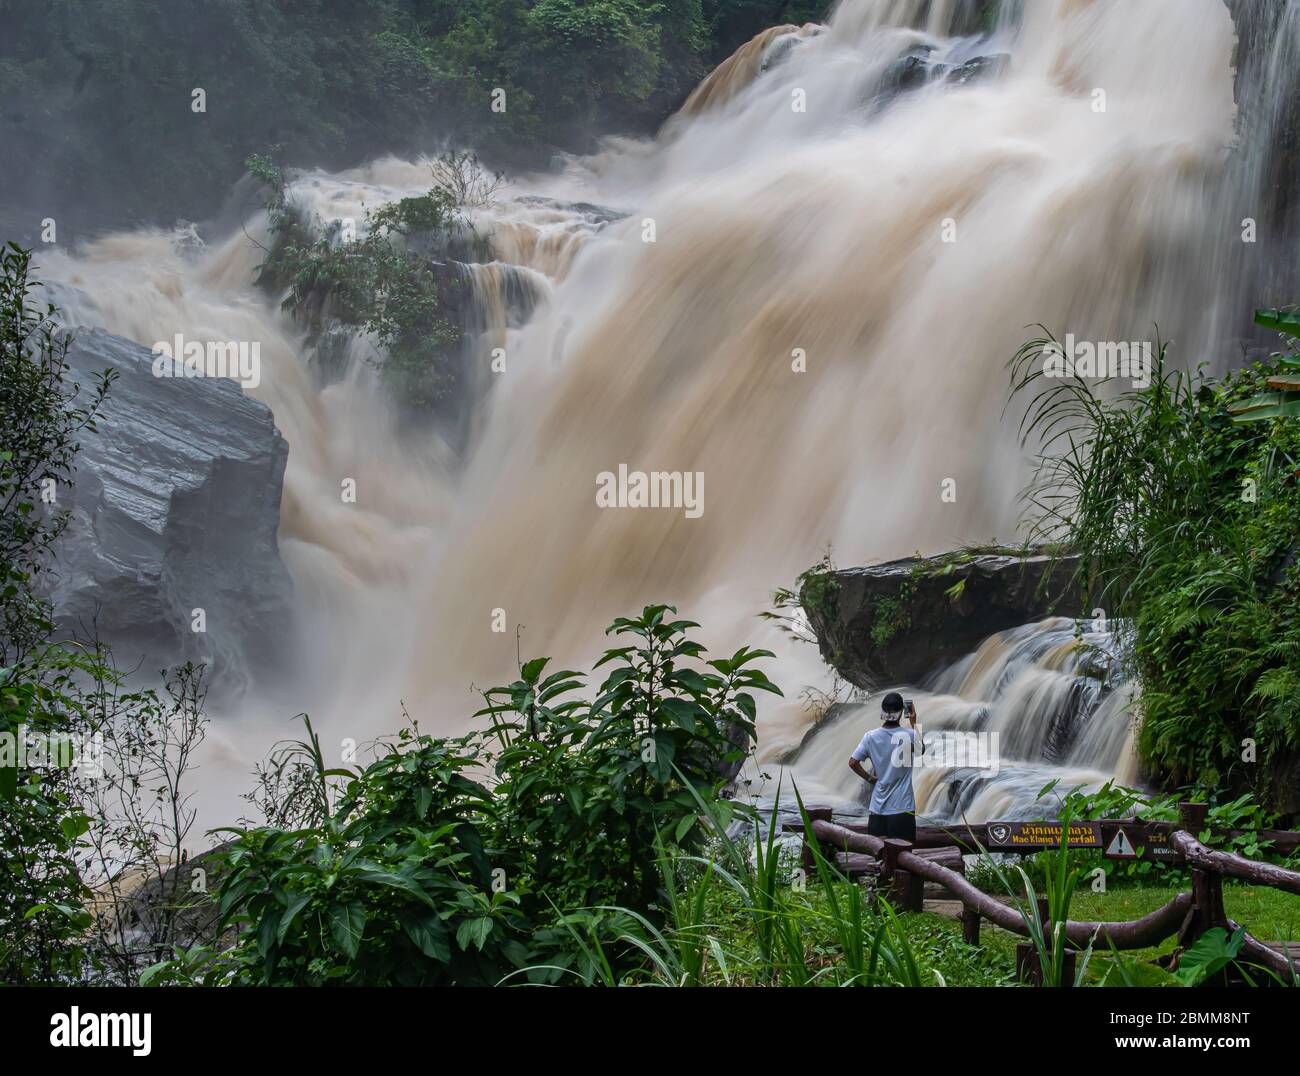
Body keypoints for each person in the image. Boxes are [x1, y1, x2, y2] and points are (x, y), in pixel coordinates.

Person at [847, 691, 922, 842]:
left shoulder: (870, 737)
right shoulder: (909, 736)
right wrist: (914, 722)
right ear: (902, 713)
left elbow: (853, 763)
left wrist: (870, 778)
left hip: (877, 810)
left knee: (878, 858)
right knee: (904, 858)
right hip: (902, 810)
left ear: (882, 711)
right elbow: (921, 750)